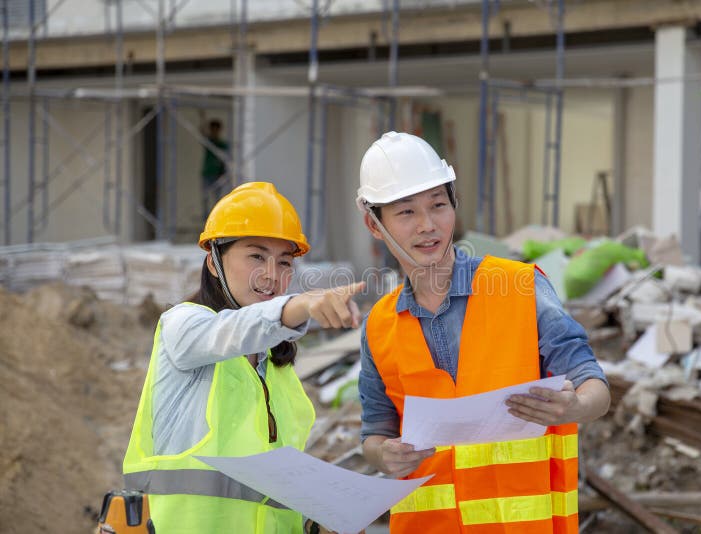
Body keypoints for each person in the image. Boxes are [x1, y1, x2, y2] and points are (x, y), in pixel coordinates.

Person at [356, 132, 611, 533]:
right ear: (375, 224)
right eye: (406, 213)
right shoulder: (379, 326)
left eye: (438, 205)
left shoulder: (519, 286)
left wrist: (576, 407)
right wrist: (383, 455)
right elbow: (375, 432)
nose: (427, 225)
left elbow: (593, 384)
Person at [123, 182, 363, 534]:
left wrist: (320, 518)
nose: (272, 275)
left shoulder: (274, 365)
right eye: (256, 256)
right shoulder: (183, 328)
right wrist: (301, 305)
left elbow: (275, 482)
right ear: (214, 261)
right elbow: (232, 331)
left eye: (284, 262)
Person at [201, 119, 230, 215]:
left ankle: (217, 215)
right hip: (207, 173)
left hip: (218, 174)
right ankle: (205, 217)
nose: (214, 132)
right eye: (212, 130)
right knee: (205, 197)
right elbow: (201, 133)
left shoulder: (222, 144)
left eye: (216, 130)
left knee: (218, 198)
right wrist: (202, 118)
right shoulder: (208, 142)